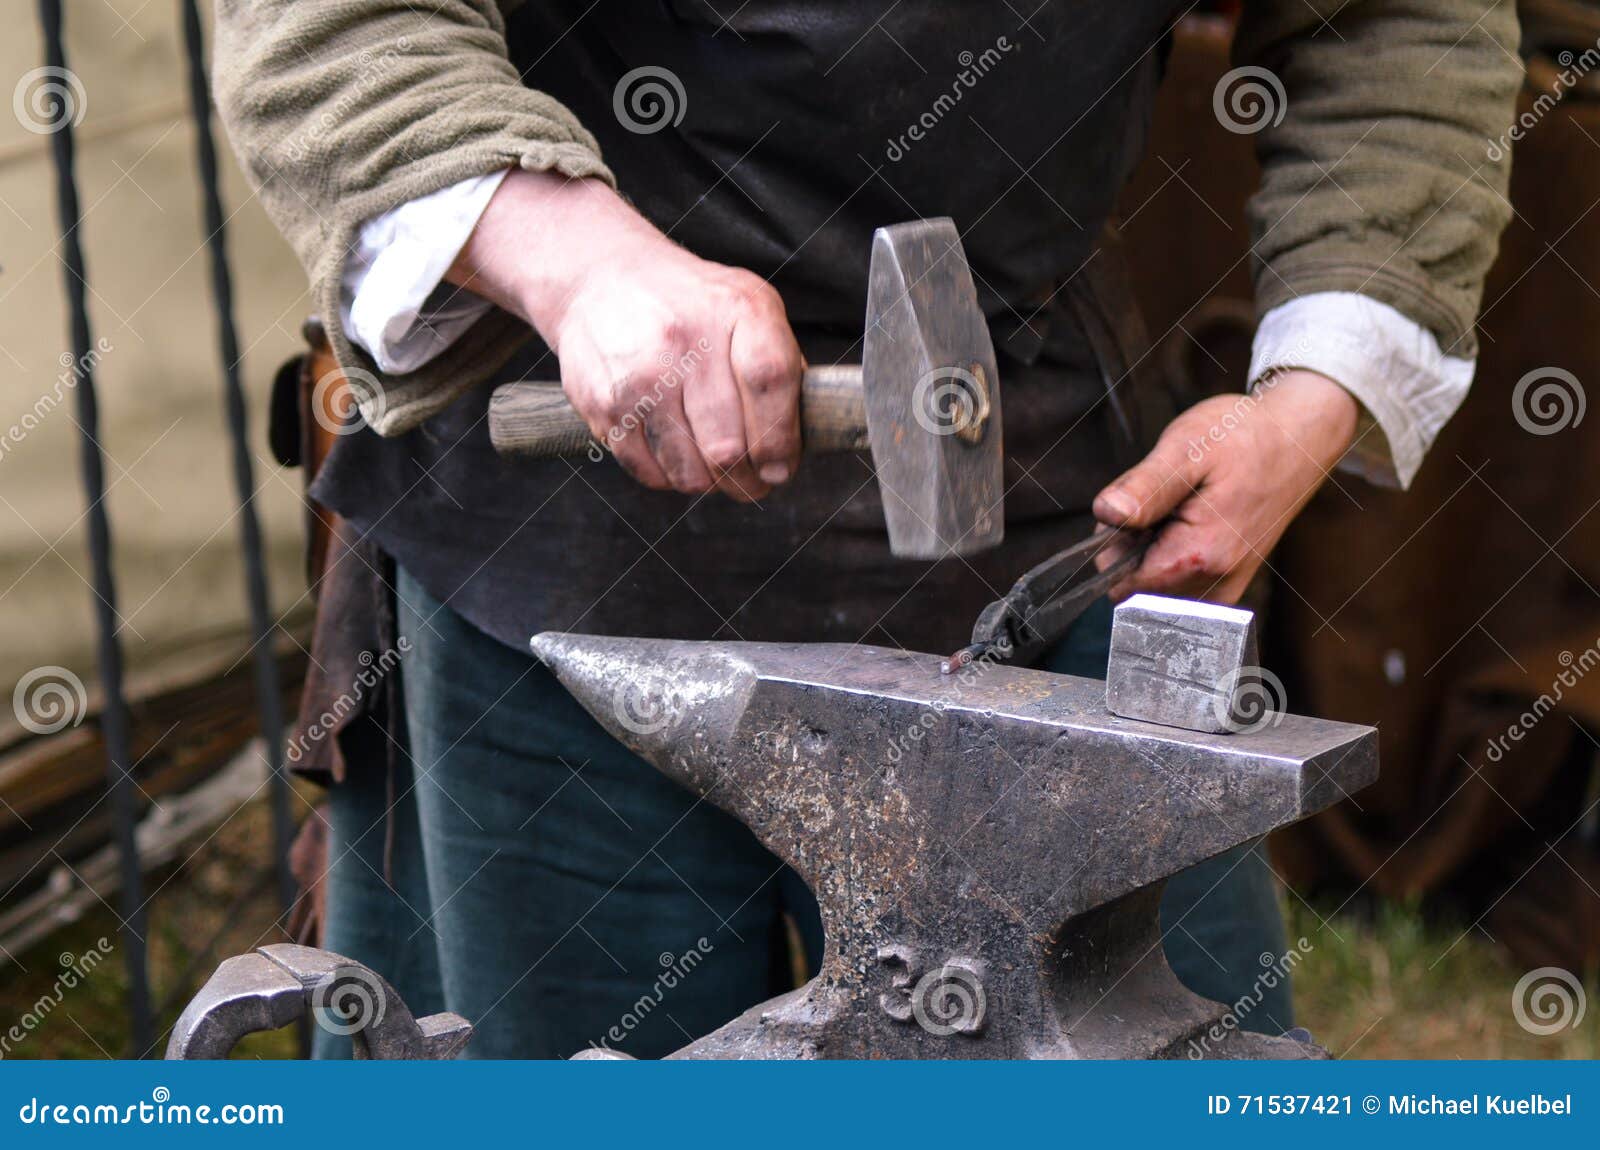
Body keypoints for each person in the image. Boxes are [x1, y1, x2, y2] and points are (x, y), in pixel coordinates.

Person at [214, 1, 1519, 1057]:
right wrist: (574, 258)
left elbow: (1400, 23)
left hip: (1038, 504)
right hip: (541, 545)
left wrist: (1315, 392)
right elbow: (331, 25)